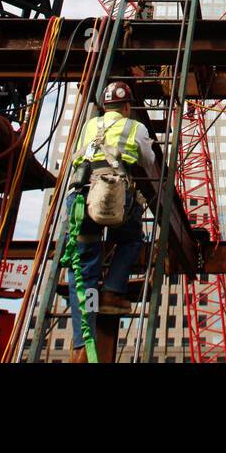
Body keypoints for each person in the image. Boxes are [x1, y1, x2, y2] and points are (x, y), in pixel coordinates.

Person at [63, 80, 157, 363]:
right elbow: (149, 161)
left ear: (105, 106)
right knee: (130, 239)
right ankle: (113, 290)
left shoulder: (89, 126)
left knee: (84, 268)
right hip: (114, 197)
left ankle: (82, 345)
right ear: (127, 106)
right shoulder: (134, 127)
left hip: (81, 198)